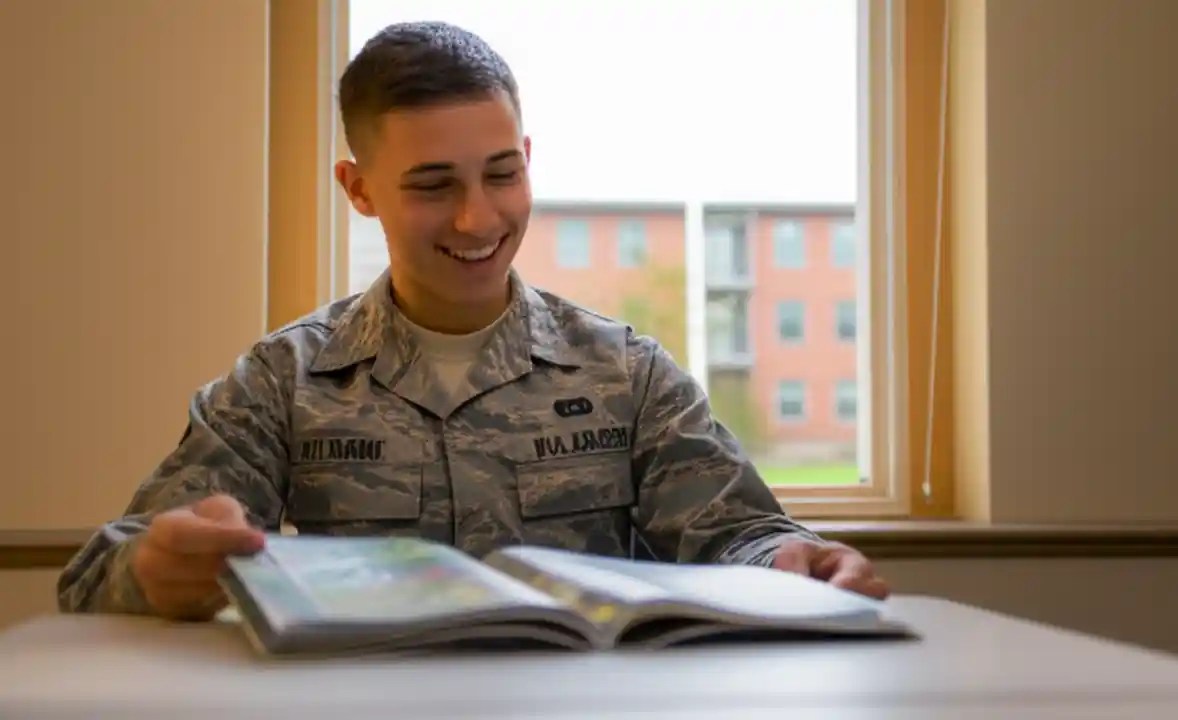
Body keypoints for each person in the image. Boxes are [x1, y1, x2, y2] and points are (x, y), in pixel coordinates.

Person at [57, 20, 889, 621]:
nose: (477, 218)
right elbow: (96, 572)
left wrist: (791, 561)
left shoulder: (625, 374)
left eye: (500, 174)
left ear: (526, 159)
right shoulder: (286, 381)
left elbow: (736, 535)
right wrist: (155, 570)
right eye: (432, 185)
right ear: (359, 189)